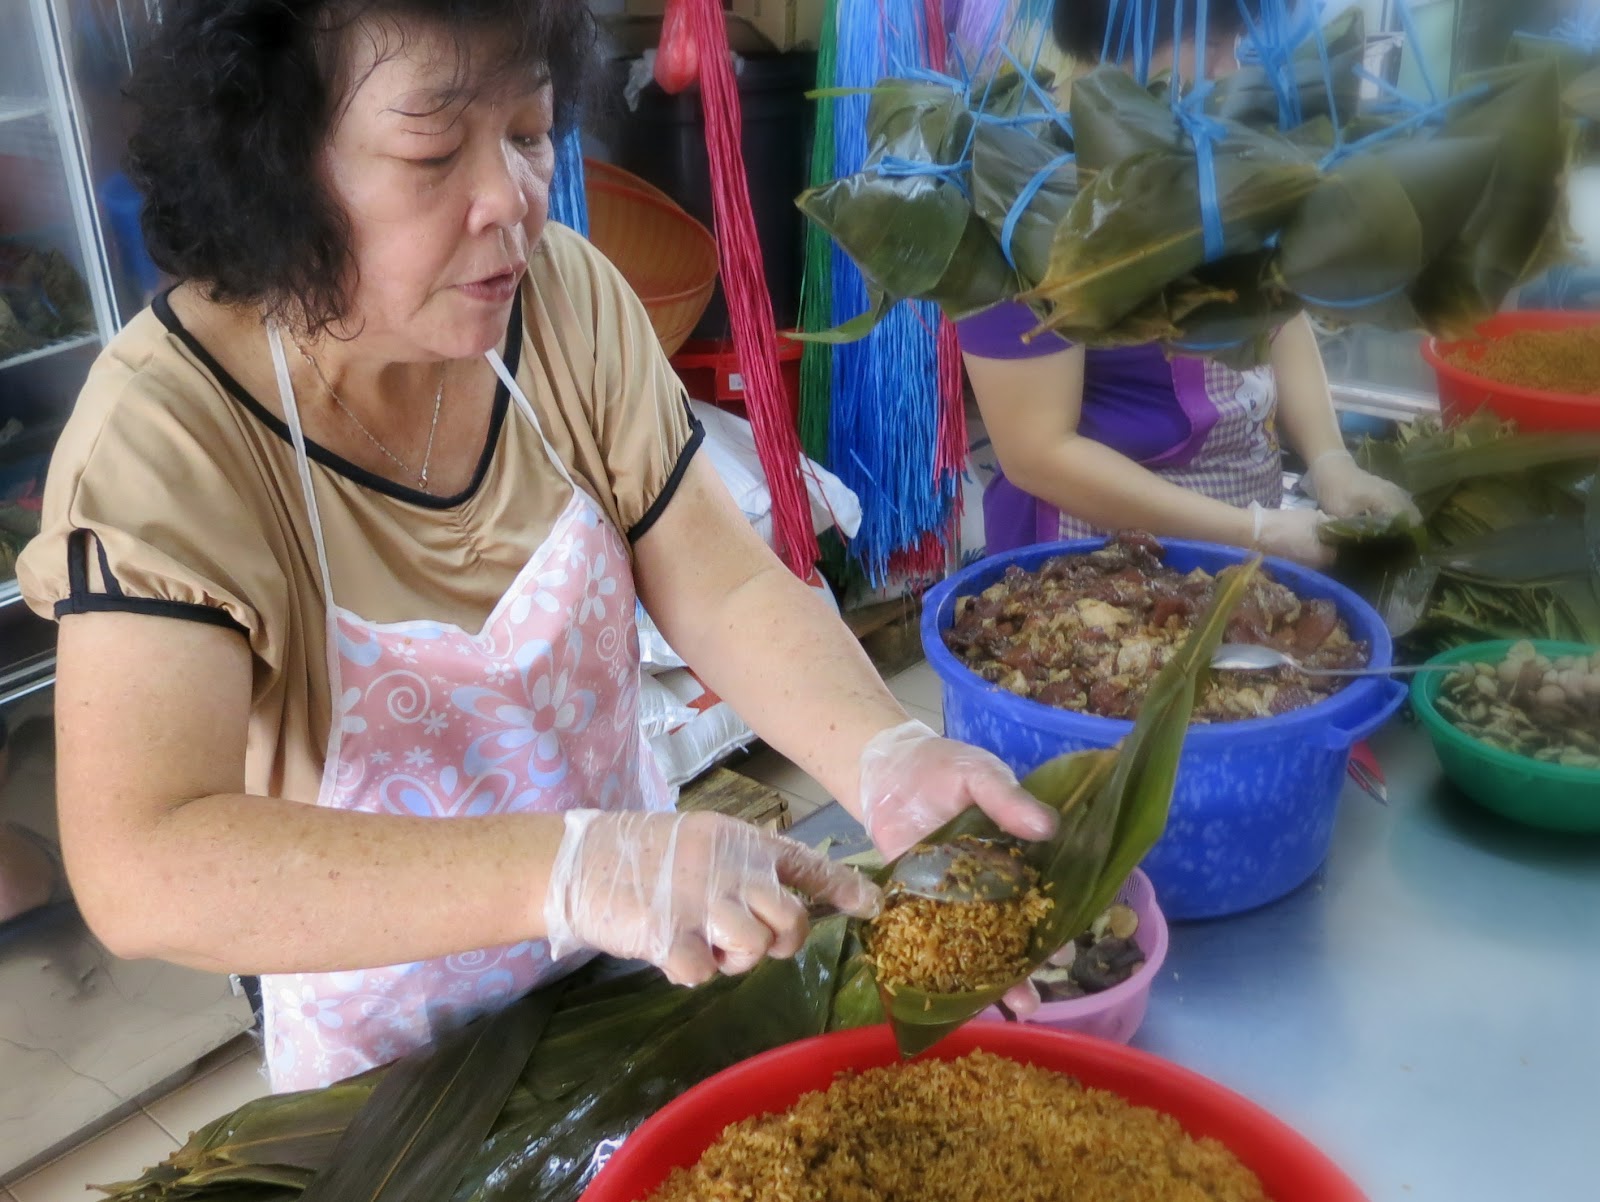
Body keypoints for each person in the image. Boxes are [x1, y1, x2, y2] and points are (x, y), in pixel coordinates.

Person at [18, 0, 1054, 1093]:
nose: (509, 200)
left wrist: (883, 757)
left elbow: (720, 579)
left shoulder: (565, 300)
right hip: (401, 1076)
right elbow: (145, 862)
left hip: (636, 975)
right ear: (276, 164)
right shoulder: (165, 440)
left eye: (528, 131)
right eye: (430, 148)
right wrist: (573, 862)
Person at [959, 0, 1419, 566]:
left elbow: (1275, 316)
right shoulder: (1020, 186)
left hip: (1244, 514)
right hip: (1095, 552)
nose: (1231, 69)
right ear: (1128, 25)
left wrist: (1331, 462)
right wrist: (1259, 533)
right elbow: (1038, 452)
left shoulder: (1205, 141)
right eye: (1216, 41)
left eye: (1240, 45)